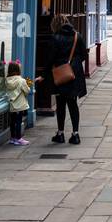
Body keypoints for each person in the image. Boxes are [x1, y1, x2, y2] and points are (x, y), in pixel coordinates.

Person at [40, 15, 88, 144]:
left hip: (60, 75)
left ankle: (60, 134)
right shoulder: (78, 36)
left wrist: (44, 75)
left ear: (55, 24)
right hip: (74, 75)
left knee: (60, 104)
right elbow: (84, 54)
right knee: (73, 104)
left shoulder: (55, 38)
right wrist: (74, 66)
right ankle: (75, 134)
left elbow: (50, 59)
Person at [4, 60, 30, 146]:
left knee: (12, 122)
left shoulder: (6, 80)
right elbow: (27, 91)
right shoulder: (21, 80)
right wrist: (29, 83)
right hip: (19, 105)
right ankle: (19, 138)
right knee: (18, 122)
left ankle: (12, 138)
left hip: (11, 104)